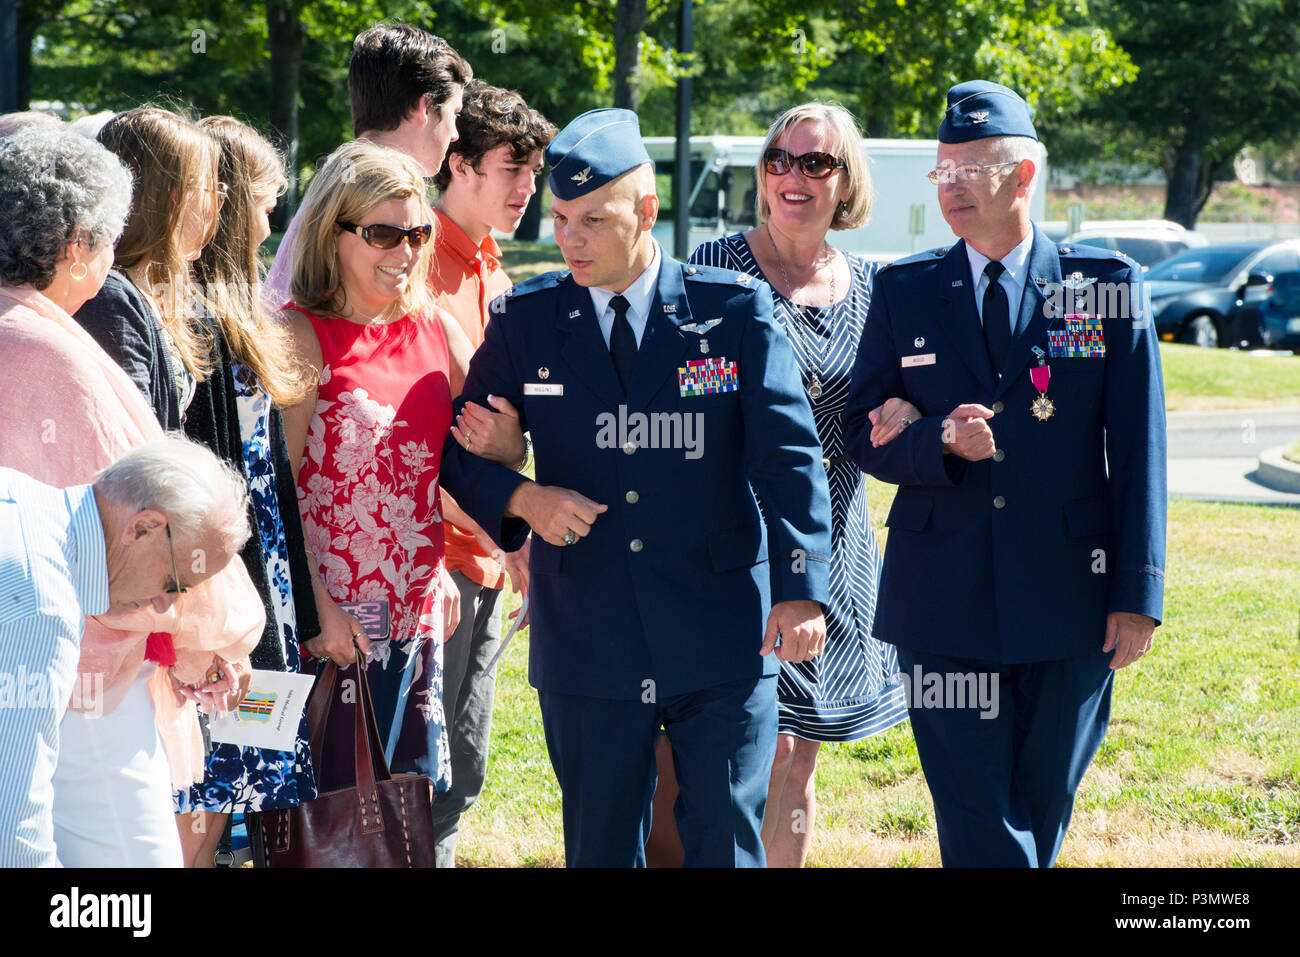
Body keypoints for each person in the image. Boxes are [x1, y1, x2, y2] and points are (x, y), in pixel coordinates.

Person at [440, 108, 835, 867]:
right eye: (559, 219)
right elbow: (458, 456)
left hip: (720, 631)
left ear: (647, 211)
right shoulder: (526, 322)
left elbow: (789, 458)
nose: (571, 239)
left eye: (592, 219)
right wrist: (525, 499)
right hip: (590, 636)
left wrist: (801, 590)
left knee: (724, 845)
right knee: (600, 847)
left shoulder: (733, 313)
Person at [842, 80, 1167, 867]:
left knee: (1042, 801)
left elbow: (1139, 452)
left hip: (1070, 600)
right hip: (940, 602)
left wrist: (1137, 595)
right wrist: (937, 444)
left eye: (971, 170)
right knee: (975, 813)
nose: (950, 188)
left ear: (1023, 176)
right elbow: (862, 430)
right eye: (941, 171)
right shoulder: (905, 289)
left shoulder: (1104, 286)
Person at [0, 126, 262, 867]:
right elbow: (163, 520)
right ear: (79, 242)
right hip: (80, 676)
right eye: (108, 239)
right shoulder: (57, 354)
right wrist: (205, 637)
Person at [684, 102, 914, 868]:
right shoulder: (711, 269)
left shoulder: (876, 287)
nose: (793, 176)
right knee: (748, 743)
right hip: (732, 540)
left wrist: (908, 409)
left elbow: (896, 397)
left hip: (834, 546)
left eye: (816, 163)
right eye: (779, 159)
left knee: (799, 750)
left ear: (846, 182)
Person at [280, 140, 472, 797]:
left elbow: (453, 470)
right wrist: (318, 609)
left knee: (401, 805)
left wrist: (445, 565)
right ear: (333, 233)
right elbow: (275, 491)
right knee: (329, 818)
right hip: (330, 627)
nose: (406, 252)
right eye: (382, 233)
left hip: (413, 617)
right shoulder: (300, 336)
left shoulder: (439, 333)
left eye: (418, 233)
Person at [172, 115, 323, 866]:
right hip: (225, 604)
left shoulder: (244, 318)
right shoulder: (195, 327)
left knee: (240, 796)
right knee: (203, 796)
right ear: (229, 208)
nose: (273, 217)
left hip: (264, 599)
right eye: (265, 199)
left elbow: (275, 481)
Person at [0, 437, 253, 867]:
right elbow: (13, 830)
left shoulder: (15, 492)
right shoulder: (45, 609)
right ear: (142, 528)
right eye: (174, 584)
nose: (165, 608)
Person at [425, 80, 555, 867]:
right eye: (514, 168)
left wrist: (511, 472)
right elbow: (427, 443)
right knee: (426, 775)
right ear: (460, 164)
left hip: (483, 551)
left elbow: (498, 433)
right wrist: (515, 537)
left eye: (535, 171)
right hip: (433, 562)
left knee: (463, 768)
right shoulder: (413, 262)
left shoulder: (493, 270)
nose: (529, 188)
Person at [263, 22, 471, 310]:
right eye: (454, 113)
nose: (455, 133)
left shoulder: (340, 180)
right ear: (424, 108)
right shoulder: (366, 190)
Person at [75, 106, 221, 430]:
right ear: (171, 199)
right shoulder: (110, 301)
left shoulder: (145, 289)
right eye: (207, 189)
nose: (215, 206)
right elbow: (134, 452)